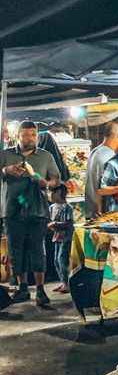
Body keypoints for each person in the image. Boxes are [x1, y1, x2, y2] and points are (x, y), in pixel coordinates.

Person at [0, 120, 61, 305]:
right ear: (18, 136)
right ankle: (22, 287)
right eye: (25, 135)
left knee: (37, 250)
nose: (30, 138)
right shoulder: (5, 154)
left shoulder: (46, 156)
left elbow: (56, 179)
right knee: (16, 250)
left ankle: (41, 290)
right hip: (12, 209)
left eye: (33, 135)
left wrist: (46, 183)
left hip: (38, 210)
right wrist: (6, 170)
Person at [85, 121, 118, 219]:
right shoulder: (108, 156)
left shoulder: (95, 151)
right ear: (117, 136)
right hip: (102, 214)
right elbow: (101, 187)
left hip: (91, 210)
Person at [48, 184, 74, 294]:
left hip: (65, 237)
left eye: (54, 192)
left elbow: (69, 223)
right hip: (57, 237)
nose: (51, 195)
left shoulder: (67, 207)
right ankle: (63, 281)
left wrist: (55, 224)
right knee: (56, 260)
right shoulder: (52, 207)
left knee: (62, 259)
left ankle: (67, 283)